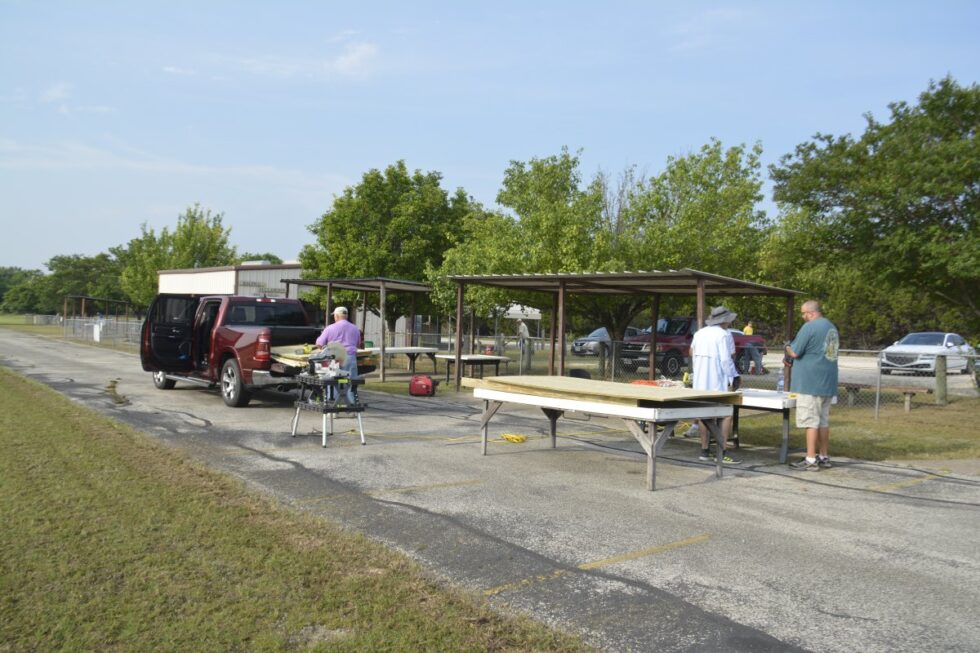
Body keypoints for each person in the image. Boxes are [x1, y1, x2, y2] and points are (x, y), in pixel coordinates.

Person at [785, 300, 839, 471]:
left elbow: (795, 351)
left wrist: (786, 346)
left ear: (811, 313)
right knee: (823, 421)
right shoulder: (831, 327)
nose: (803, 317)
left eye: (804, 313)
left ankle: (810, 459)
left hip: (810, 383)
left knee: (810, 421)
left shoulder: (810, 327)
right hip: (827, 382)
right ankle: (824, 456)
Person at [689, 305, 741, 464]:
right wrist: (735, 376)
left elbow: (691, 352)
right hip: (716, 382)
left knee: (706, 416)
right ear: (725, 321)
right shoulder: (723, 335)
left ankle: (704, 450)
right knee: (726, 414)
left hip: (700, 382)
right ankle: (722, 450)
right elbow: (726, 360)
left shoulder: (700, 333)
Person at [315, 306, 361, 403]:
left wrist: (325, 350)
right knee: (350, 383)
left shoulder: (330, 328)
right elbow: (358, 344)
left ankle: (333, 408)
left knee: (333, 383)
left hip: (335, 359)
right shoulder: (355, 328)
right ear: (346, 316)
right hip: (350, 358)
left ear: (336, 316)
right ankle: (351, 408)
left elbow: (319, 343)